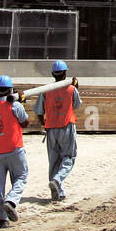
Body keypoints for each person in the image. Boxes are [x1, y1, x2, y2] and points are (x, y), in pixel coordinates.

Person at [0, 75, 29, 227]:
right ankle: (11, 200)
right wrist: (20, 103)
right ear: (10, 90)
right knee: (21, 177)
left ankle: (1, 219)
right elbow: (25, 123)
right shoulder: (14, 106)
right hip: (14, 148)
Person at [35, 60, 81, 201]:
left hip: (51, 129)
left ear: (52, 74)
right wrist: (76, 87)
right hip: (66, 126)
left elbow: (39, 111)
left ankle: (58, 192)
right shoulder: (71, 89)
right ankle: (57, 180)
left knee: (54, 161)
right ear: (65, 73)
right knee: (68, 157)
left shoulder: (46, 90)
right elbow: (77, 105)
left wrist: (44, 123)